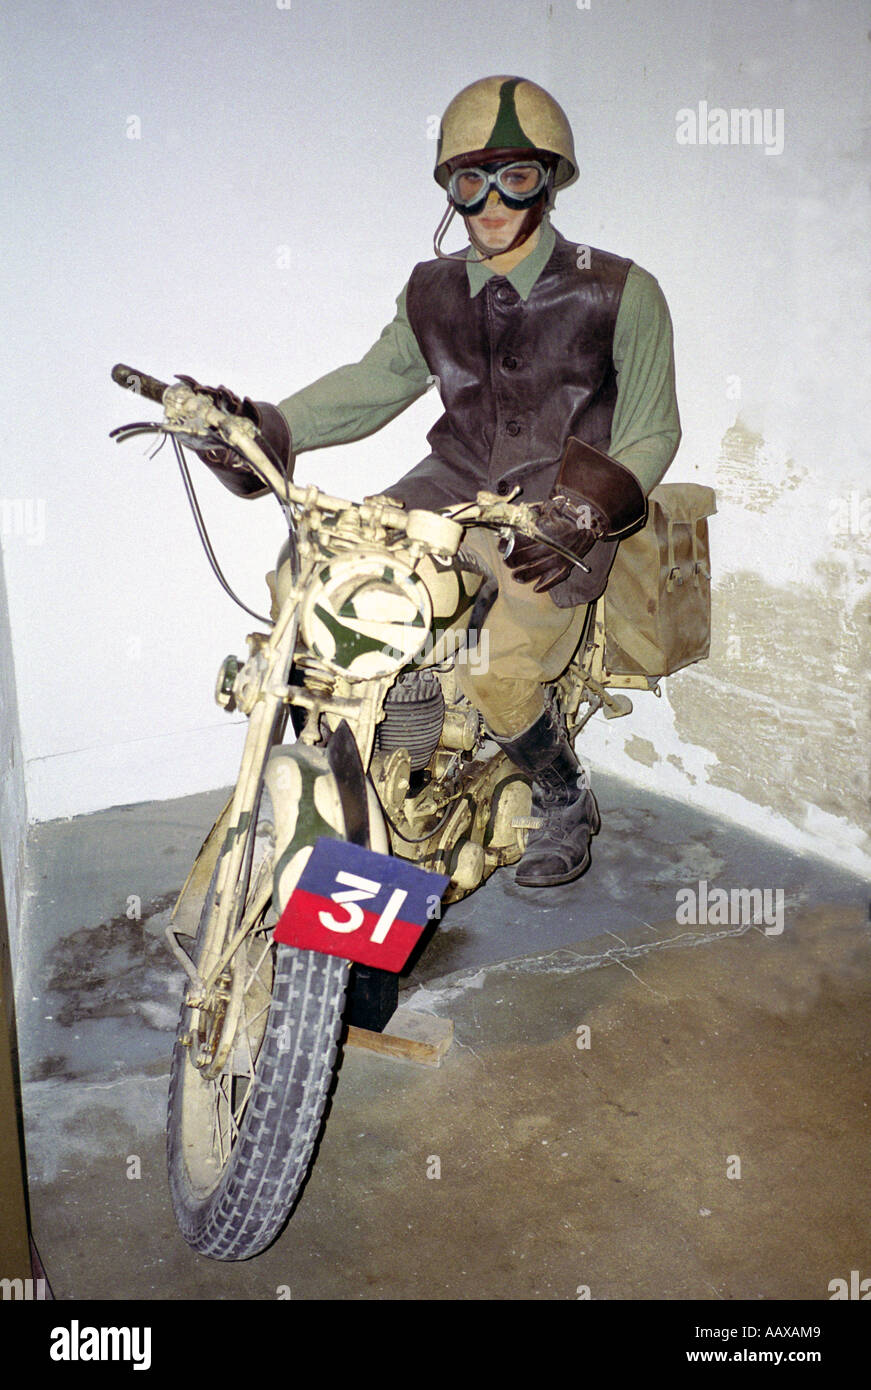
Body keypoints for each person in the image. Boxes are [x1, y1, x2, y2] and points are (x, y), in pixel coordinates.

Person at [194, 75, 681, 889]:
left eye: (514, 176)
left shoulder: (619, 289)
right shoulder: (431, 289)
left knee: (498, 666)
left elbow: (653, 428)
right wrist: (266, 429)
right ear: (449, 189)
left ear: (550, 179)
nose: (489, 201)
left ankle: (565, 796)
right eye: (469, 180)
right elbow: (374, 380)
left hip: (556, 515)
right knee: (317, 583)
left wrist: (585, 514)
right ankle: (362, 768)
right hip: (445, 487)